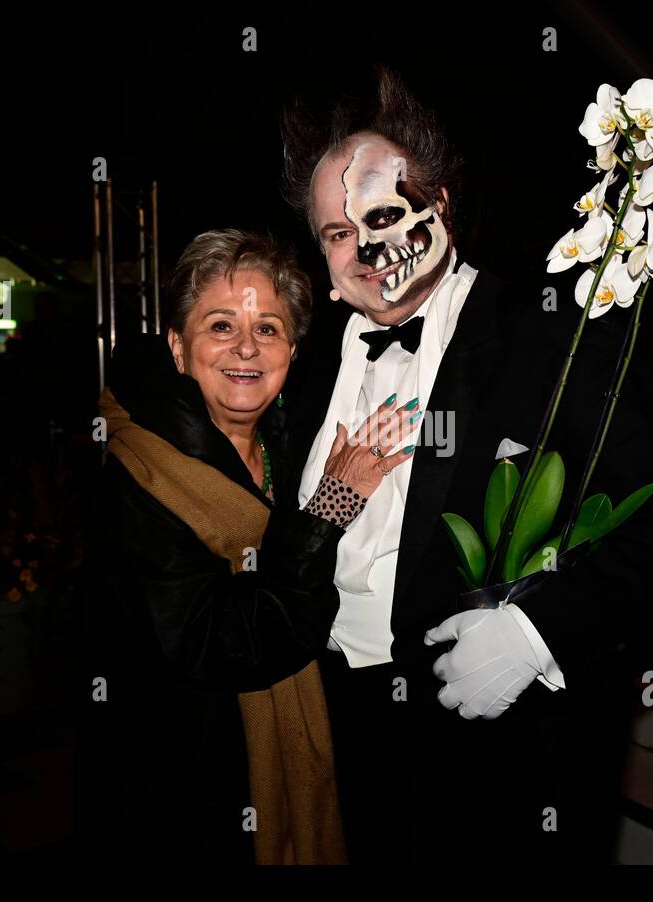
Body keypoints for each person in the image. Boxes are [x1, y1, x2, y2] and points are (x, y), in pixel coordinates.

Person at [279, 66, 653, 864]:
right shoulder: (299, 369)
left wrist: (538, 632)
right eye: (339, 234)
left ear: (439, 205)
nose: (368, 247)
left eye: (383, 214)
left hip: (494, 762)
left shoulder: (555, 338)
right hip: (336, 731)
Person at [78, 228, 417, 865]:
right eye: (220, 325)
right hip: (180, 783)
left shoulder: (290, 447)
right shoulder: (142, 474)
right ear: (179, 347)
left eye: (268, 329)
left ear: (291, 348)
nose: (245, 348)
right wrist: (331, 509)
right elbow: (219, 641)